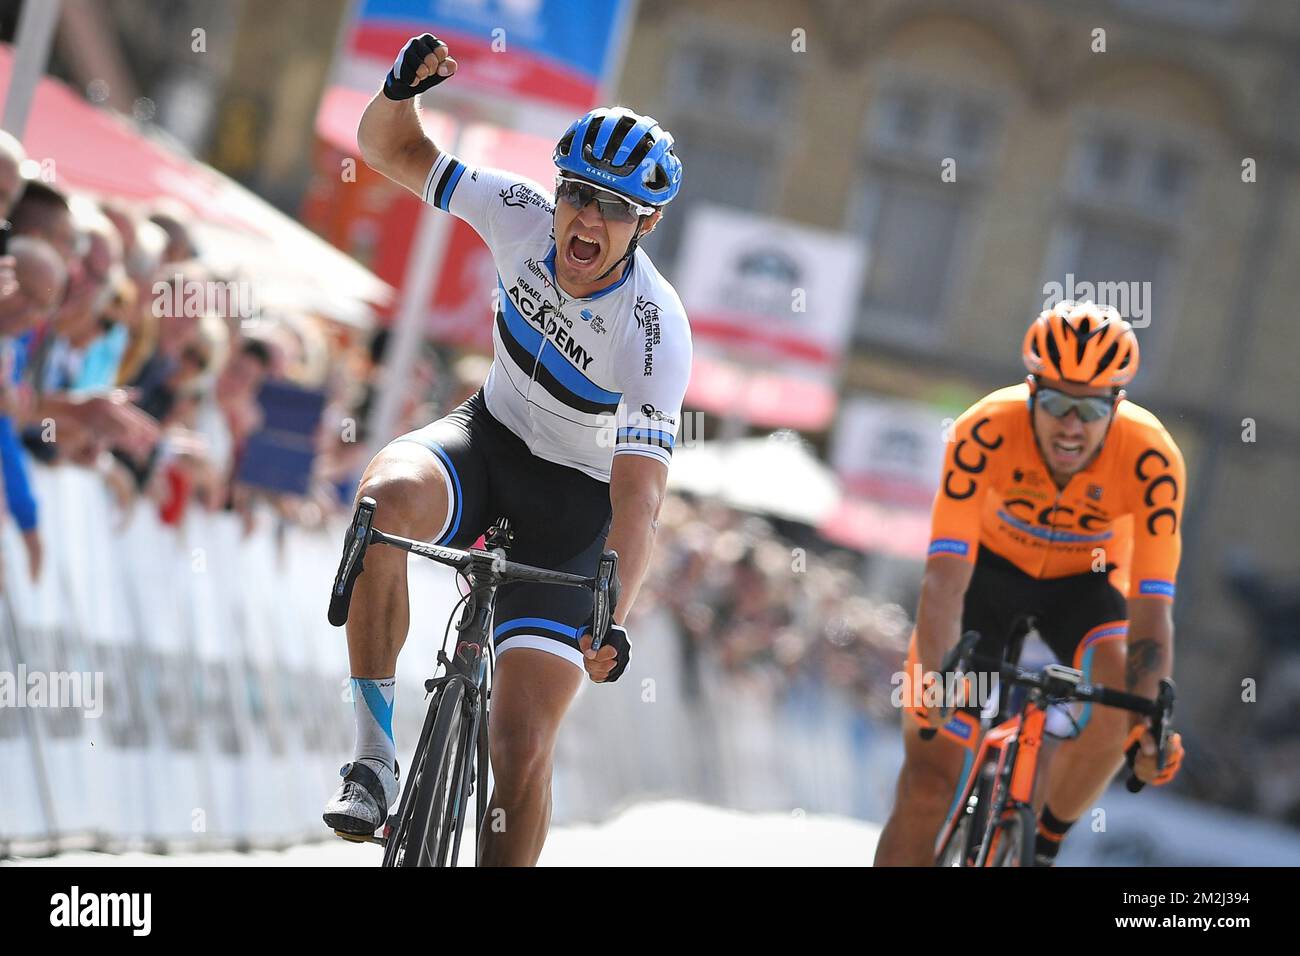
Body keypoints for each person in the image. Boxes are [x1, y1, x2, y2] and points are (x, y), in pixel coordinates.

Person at [323, 34, 691, 866]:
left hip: (576, 507)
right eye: (578, 195)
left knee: (518, 747)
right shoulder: (518, 211)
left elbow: (639, 499)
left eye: (613, 207)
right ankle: (373, 761)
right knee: (384, 501)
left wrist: (611, 617)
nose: (585, 220)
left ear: (647, 222)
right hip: (486, 441)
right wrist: (398, 89)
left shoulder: (656, 332)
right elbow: (389, 146)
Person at [874, 300, 1186, 866]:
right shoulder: (985, 429)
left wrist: (1148, 724)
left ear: (1117, 406)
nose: (1071, 425)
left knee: (1120, 700)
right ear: (1030, 390)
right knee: (925, 789)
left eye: (1089, 409)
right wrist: (941, 682)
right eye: (1056, 402)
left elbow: (1152, 605)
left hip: (1085, 585)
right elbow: (943, 580)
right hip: (982, 581)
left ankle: (1041, 845)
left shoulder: (1152, 457)